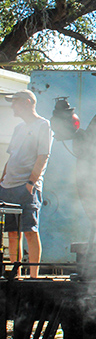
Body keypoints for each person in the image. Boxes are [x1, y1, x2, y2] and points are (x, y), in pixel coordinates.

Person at [0, 89, 53, 278]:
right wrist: (2, 180)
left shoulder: (43, 125)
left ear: (28, 102)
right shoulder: (18, 129)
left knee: (30, 230)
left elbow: (43, 155)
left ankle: (33, 276)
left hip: (27, 186)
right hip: (8, 186)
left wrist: (31, 182)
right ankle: (16, 273)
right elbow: (11, 157)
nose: (12, 105)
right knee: (12, 232)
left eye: (15, 101)